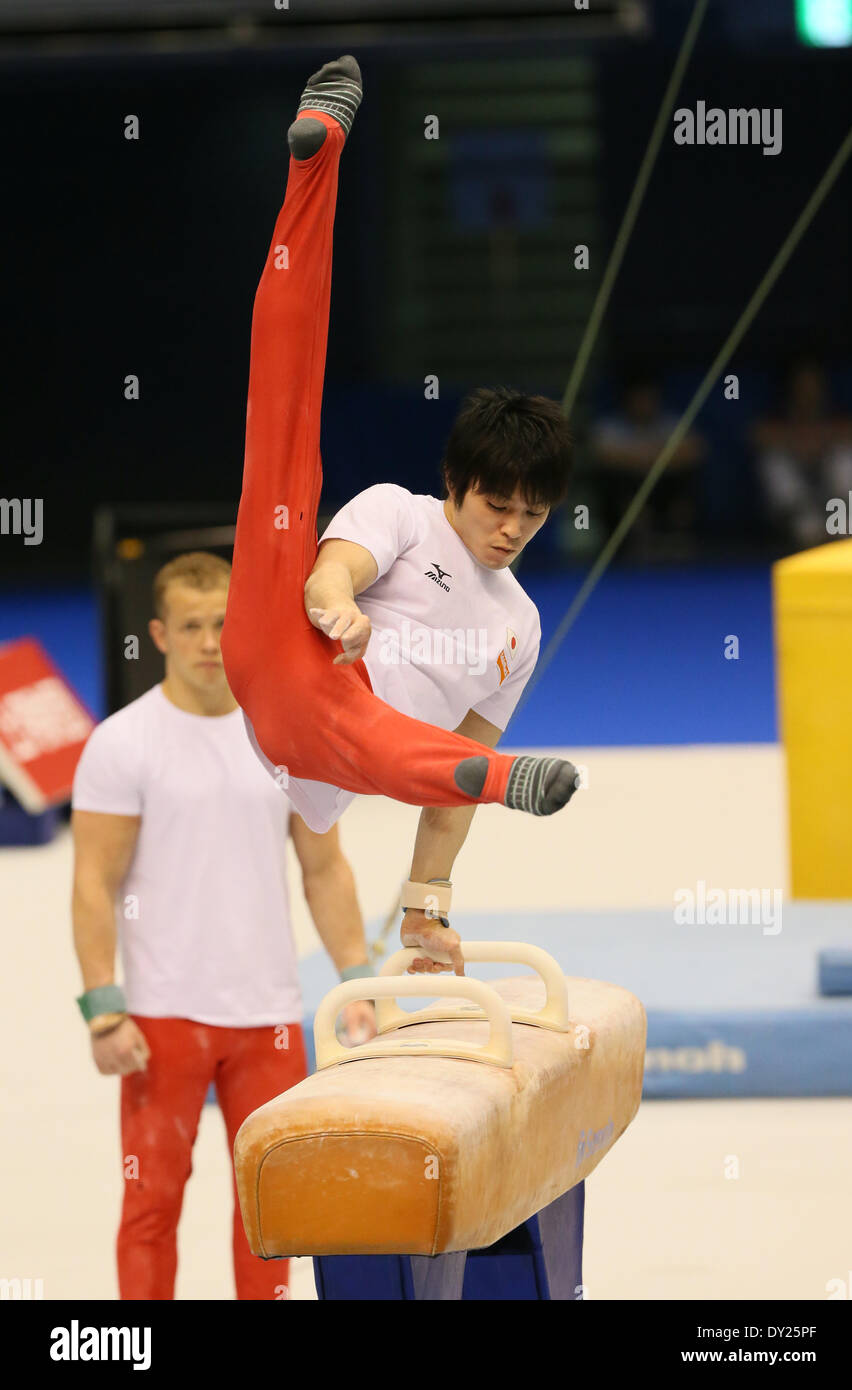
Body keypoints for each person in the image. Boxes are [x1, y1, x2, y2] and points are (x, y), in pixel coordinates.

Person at [220, 56, 579, 981]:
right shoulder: (405, 514)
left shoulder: (519, 626)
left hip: (339, 740)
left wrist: (427, 909)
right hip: (300, 658)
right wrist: (338, 605)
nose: (511, 529)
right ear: (454, 482)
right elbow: (332, 571)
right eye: (497, 505)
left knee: (425, 758)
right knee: (282, 414)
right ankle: (316, 159)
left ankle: (503, 781)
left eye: (532, 518)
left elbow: (445, 774)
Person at [71, 551, 375, 1300]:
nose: (211, 641)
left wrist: (358, 979)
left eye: (224, 624)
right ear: (159, 635)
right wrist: (102, 1008)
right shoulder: (122, 743)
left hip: (266, 1014)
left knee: (268, 1214)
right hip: (161, 1017)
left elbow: (324, 868)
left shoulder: (283, 735)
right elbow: (93, 884)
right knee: (152, 1203)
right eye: (193, 626)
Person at [751, 356, 852, 548]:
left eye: (813, 385)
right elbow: (757, 434)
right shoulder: (779, 412)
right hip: (801, 505)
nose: (808, 391)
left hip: (835, 500)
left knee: (847, 457)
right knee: (774, 461)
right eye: (803, 385)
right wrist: (797, 441)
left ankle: (843, 523)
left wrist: (819, 439)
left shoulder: (834, 410)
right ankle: (807, 528)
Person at [590, 367, 703, 551]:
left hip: (664, 484)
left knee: (686, 479)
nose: (644, 404)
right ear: (627, 400)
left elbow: (695, 451)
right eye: (639, 399)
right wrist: (656, 457)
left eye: (648, 398)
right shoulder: (611, 426)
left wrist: (641, 458)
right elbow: (605, 456)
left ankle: (677, 536)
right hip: (629, 484)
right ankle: (639, 537)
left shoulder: (669, 422)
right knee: (616, 481)